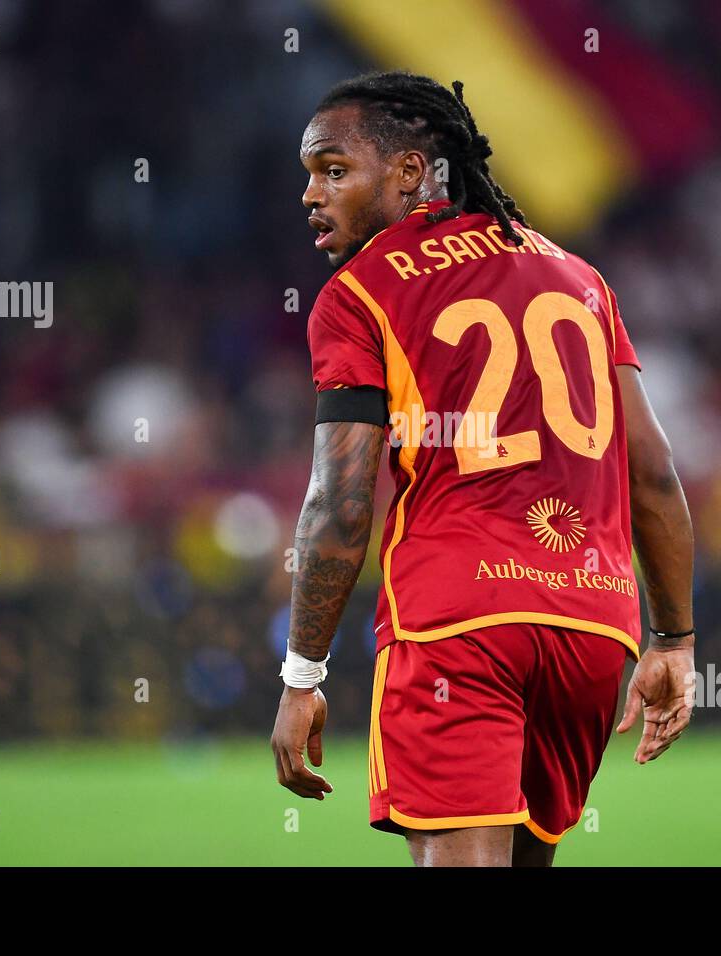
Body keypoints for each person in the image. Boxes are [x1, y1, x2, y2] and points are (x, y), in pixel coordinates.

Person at [271, 71, 695, 867]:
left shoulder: (359, 293)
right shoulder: (581, 280)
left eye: (333, 170)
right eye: (308, 175)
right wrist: (676, 638)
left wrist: (303, 674)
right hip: (594, 628)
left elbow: (340, 502)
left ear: (407, 174)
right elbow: (656, 475)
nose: (312, 194)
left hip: (458, 624)